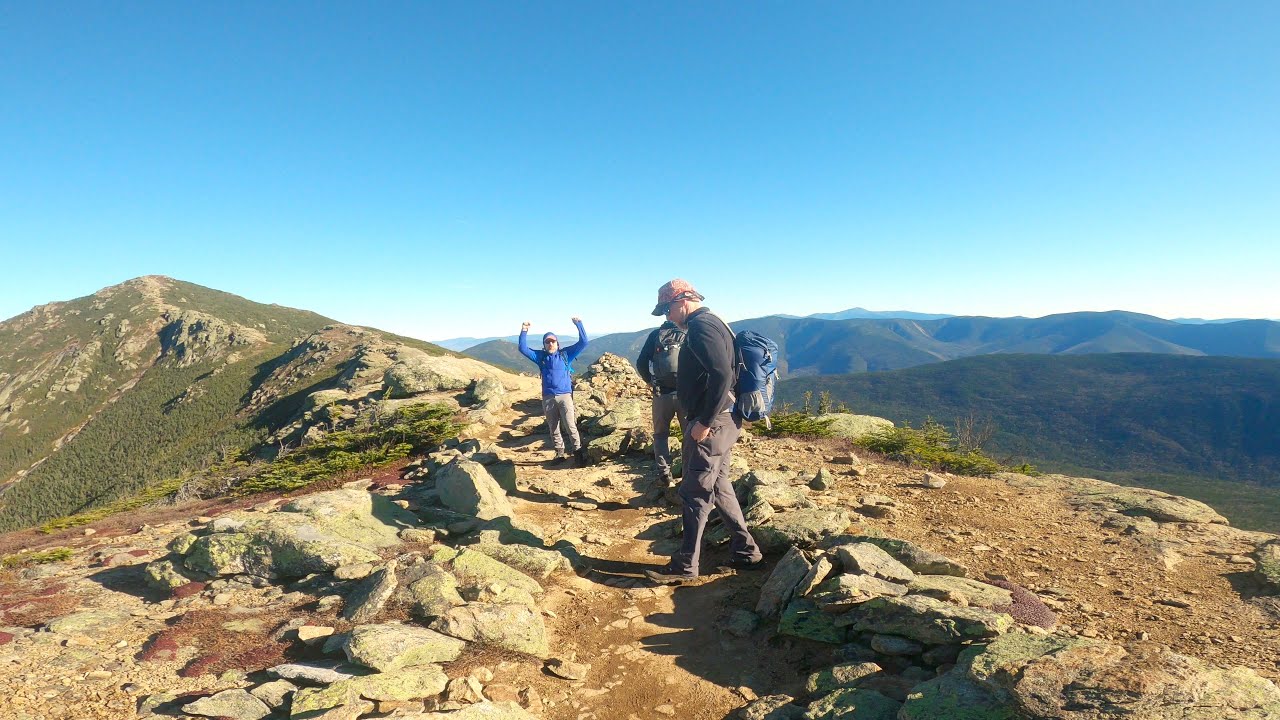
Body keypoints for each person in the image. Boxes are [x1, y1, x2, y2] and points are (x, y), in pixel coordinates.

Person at [644, 280, 762, 584]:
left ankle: (685, 566)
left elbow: (721, 373)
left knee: (694, 492)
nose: (667, 317)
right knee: (720, 486)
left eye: (667, 309)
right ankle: (745, 551)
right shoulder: (712, 322)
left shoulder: (701, 327)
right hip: (725, 419)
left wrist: (704, 421)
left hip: (713, 423)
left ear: (684, 300)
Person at [518, 317, 588, 467]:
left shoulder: (565, 355)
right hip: (548, 397)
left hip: (565, 396)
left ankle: (578, 453)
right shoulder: (541, 357)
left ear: (557, 343)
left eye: (553, 341)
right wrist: (524, 330)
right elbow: (523, 348)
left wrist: (579, 324)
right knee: (553, 426)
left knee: (570, 425)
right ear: (544, 345)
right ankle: (559, 453)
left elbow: (584, 342)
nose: (550, 344)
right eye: (547, 342)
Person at [636, 319, 685, 485]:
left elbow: (641, 362)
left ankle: (664, 473)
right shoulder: (688, 333)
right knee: (690, 435)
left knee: (660, 435)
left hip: (661, 394)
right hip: (686, 395)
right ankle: (688, 472)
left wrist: (650, 382)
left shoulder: (655, 335)